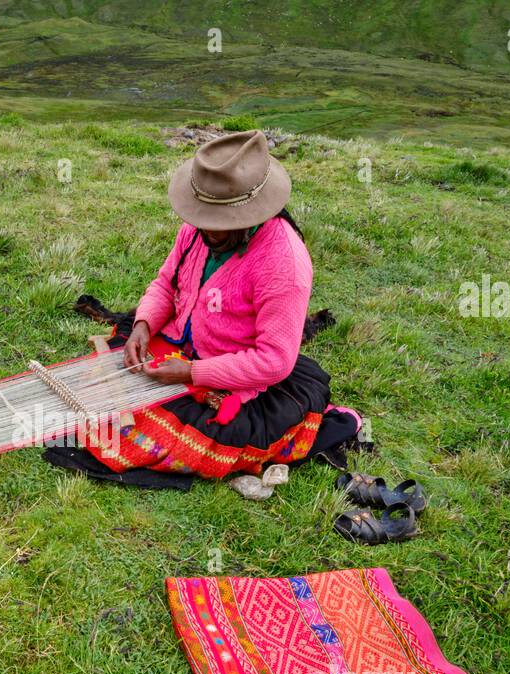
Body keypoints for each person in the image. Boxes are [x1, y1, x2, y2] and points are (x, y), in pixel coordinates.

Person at [48, 130, 359, 492]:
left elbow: (275, 360)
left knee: (143, 439)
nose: (206, 228)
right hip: (179, 347)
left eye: (220, 220)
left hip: (236, 377)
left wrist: (194, 372)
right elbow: (167, 283)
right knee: (93, 387)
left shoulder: (283, 263)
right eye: (205, 216)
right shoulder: (197, 231)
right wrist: (143, 326)